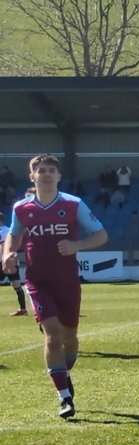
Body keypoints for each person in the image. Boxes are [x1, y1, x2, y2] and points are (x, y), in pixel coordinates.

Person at [2, 154, 109, 419]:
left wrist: (76, 245)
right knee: (53, 333)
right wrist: (7, 254)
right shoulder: (21, 208)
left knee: (70, 339)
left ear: (59, 176)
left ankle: (65, 373)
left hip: (67, 283)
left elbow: (101, 235)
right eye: (41, 170)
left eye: (51, 170)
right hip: (37, 281)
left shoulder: (74, 205)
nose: (46, 174)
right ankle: (64, 398)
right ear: (32, 177)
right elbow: (14, 235)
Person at [0, 219, 28, 316]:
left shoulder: (2, 231)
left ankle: (23, 309)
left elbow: (3, 246)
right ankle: (23, 309)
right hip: (13, 260)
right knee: (17, 285)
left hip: (4, 261)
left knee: (16, 284)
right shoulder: (9, 230)